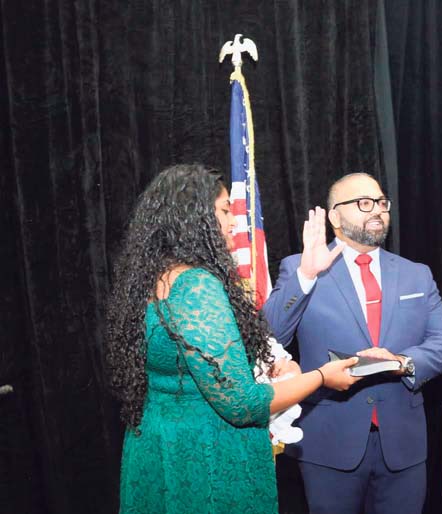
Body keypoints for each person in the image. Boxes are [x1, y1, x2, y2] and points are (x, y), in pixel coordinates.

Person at [104, 164, 361, 514]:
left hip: (162, 447)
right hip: (205, 457)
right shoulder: (195, 285)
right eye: (225, 210)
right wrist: (320, 377)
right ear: (193, 216)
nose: (233, 222)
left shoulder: (153, 276)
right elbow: (242, 405)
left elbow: (200, 365)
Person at [264, 172, 442, 514]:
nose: (378, 211)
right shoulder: (300, 268)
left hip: (403, 446)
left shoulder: (416, 274)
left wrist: (403, 361)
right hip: (328, 445)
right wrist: (307, 277)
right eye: (364, 203)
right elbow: (269, 337)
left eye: (382, 203)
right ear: (335, 216)